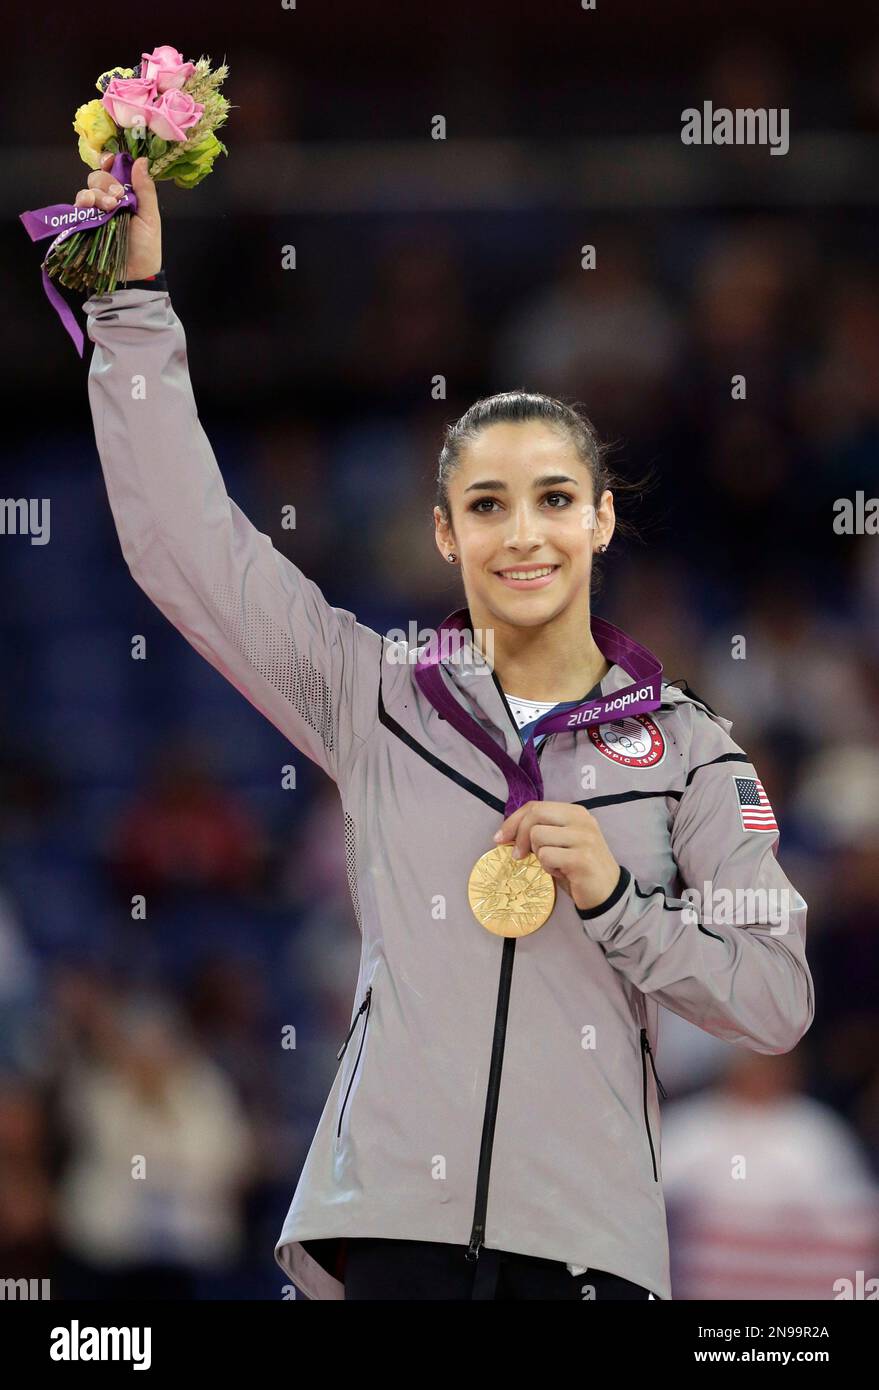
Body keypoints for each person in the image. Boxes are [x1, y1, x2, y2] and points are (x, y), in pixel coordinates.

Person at [73, 154, 815, 1301]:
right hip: (386, 1233)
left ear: (603, 518)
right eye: (487, 504)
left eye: (556, 498)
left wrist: (623, 903)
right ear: (443, 534)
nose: (524, 534)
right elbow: (184, 543)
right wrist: (132, 309)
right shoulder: (370, 696)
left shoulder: (694, 749)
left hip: (590, 1249)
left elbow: (776, 1002)